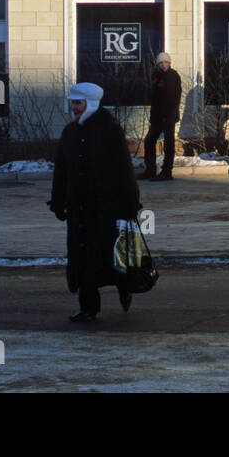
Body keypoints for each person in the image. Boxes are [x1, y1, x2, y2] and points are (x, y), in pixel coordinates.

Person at [49, 82, 142, 322]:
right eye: (72, 103)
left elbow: (124, 169)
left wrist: (131, 203)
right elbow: (61, 171)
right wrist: (58, 202)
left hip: (106, 208)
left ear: (90, 104)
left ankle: (124, 285)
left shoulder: (109, 130)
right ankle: (88, 307)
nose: (73, 107)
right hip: (79, 209)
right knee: (82, 258)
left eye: (78, 103)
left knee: (109, 255)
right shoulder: (69, 133)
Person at [139, 52, 182, 182]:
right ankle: (150, 170)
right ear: (158, 64)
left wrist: (169, 114)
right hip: (157, 116)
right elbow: (155, 97)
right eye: (161, 62)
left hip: (169, 116)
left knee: (168, 145)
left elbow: (175, 97)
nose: (164, 64)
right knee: (149, 141)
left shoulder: (173, 76)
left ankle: (167, 172)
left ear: (169, 63)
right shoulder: (157, 76)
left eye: (166, 62)